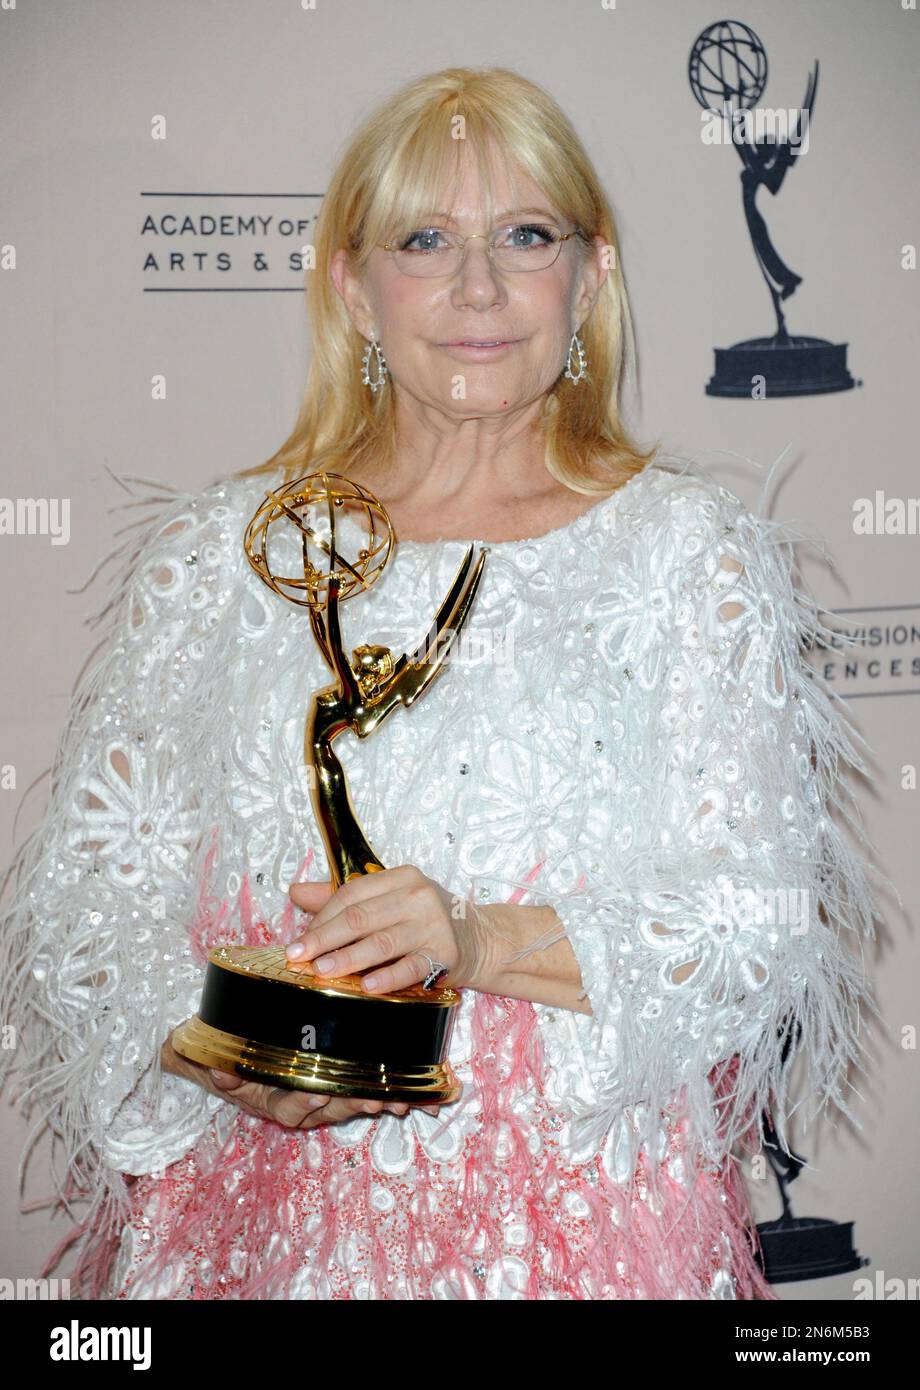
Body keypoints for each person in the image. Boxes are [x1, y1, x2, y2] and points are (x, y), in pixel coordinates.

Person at [0, 66, 884, 1301]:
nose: (478, 287)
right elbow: (94, 905)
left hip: (575, 1238)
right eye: (426, 239)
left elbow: (760, 921)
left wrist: (472, 939)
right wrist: (221, 1051)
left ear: (591, 275)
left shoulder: (687, 556)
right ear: (352, 287)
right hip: (260, 1233)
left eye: (525, 236)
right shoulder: (222, 558)